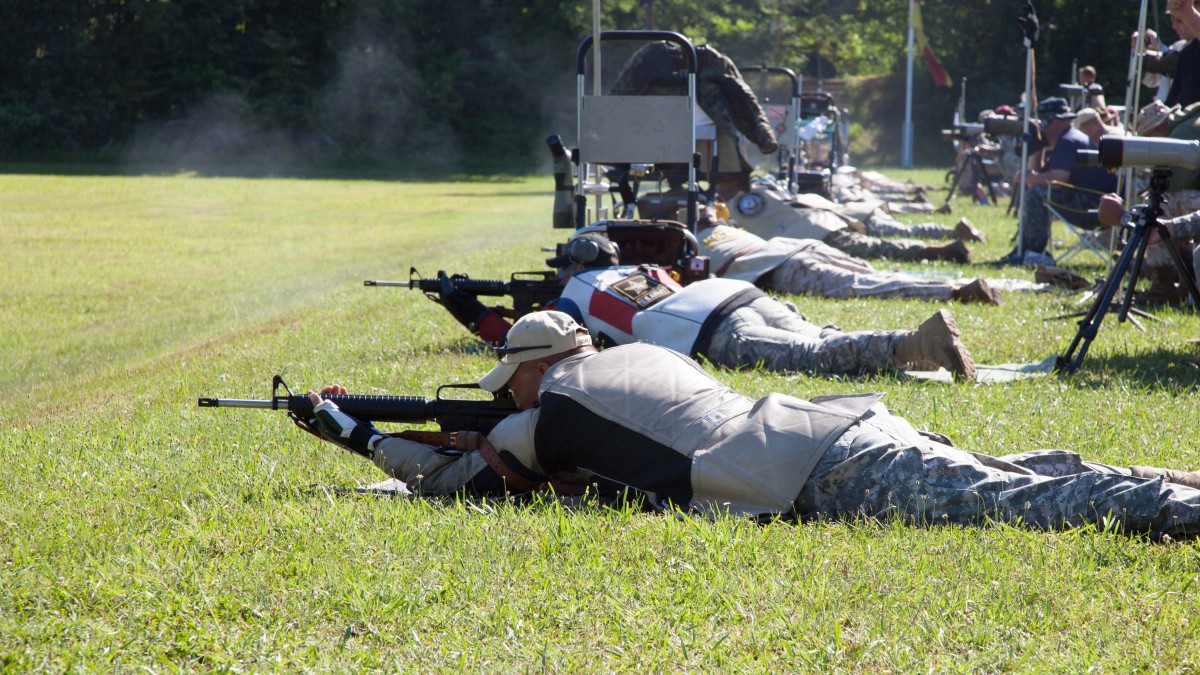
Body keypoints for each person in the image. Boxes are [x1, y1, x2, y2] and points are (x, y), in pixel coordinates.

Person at [304, 311, 1200, 540]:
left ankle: (1169, 504)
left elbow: (471, 483)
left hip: (810, 467)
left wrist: (354, 435)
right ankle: (1174, 482)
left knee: (1016, 506)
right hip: (830, 427)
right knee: (1008, 474)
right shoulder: (635, 358)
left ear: (537, 370)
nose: (511, 396)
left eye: (514, 381)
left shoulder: (559, 409)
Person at [438, 232, 979, 381]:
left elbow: (525, 344)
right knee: (815, 334)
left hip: (702, 328)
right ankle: (913, 351)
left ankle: (918, 343)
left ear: (572, 267)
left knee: (812, 357)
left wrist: (465, 308)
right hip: (734, 296)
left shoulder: (574, 295)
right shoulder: (641, 269)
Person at [609, 41, 777, 199]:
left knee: (731, 177)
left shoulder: (713, 62)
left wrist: (764, 137)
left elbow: (744, 101)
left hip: (706, 140)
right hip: (659, 141)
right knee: (728, 174)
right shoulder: (649, 59)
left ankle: (719, 213)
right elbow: (618, 100)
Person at [696, 219, 1004, 305]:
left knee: (867, 286)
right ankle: (961, 287)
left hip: (778, 267)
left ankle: (953, 292)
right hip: (797, 248)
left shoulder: (686, 245)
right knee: (875, 275)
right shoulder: (714, 225)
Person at [722, 179, 980, 264]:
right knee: (877, 245)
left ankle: (938, 250)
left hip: (809, 234)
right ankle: (938, 247)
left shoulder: (742, 201)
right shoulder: (755, 190)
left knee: (876, 248)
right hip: (817, 226)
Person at [995, 97, 1118, 265]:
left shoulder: (1068, 141)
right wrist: (1038, 147)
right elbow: (1039, 174)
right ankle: (1026, 250)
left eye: (1043, 121)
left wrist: (1029, 178)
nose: (1039, 127)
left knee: (1036, 194)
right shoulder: (1067, 138)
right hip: (1095, 202)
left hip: (1094, 205)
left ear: (1056, 120)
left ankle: (1032, 251)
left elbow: (1058, 179)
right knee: (1036, 190)